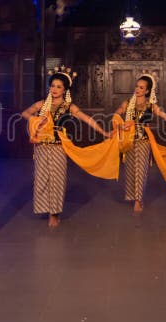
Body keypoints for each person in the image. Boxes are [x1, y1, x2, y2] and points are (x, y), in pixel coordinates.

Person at [21, 66, 112, 228]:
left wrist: (104, 132)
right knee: (42, 179)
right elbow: (25, 113)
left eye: (58, 86)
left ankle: (54, 214)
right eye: (52, 86)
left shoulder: (69, 107)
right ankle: (45, 208)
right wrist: (36, 121)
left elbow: (87, 119)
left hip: (58, 147)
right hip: (41, 147)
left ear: (65, 90)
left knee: (57, 180)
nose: (54, 89)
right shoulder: (42, 104)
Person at [114, 74, 166, 212]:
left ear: (147, 91)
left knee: (141, 170)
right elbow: (116, 115)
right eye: (137, 86)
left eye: (141, 87)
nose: (137, 89)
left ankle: (138, 200)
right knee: (131, 170)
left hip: (144, 141)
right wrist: (122, 125)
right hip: (129, 141)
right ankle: (133, 196)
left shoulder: (151, 106)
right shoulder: (127, 103)